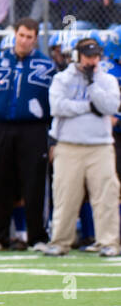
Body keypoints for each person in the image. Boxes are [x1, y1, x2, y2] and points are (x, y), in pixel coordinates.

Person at [0, 16, 54, 250]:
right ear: (15, 35)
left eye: (30, 37)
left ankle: (37, 237)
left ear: (36, 39)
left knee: (34, 184)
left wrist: (53, 139)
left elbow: (56, 106)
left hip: (34, 130)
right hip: (1, 127)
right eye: (21, 35)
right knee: (0, 183)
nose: (24, 40)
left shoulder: (47, 66)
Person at [42, 37, 121, 256]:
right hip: (69, 145)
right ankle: (60, 241)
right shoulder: (62, 79)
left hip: (100, 146)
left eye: (95, 56)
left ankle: (108, 242)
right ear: (77, 56)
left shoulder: (107, 81)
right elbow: (58, 107)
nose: (92, 61)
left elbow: (111, 106)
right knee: (65, 195)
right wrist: (88, 106)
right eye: (88, 56)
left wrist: (92, 86)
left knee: (106, 196)